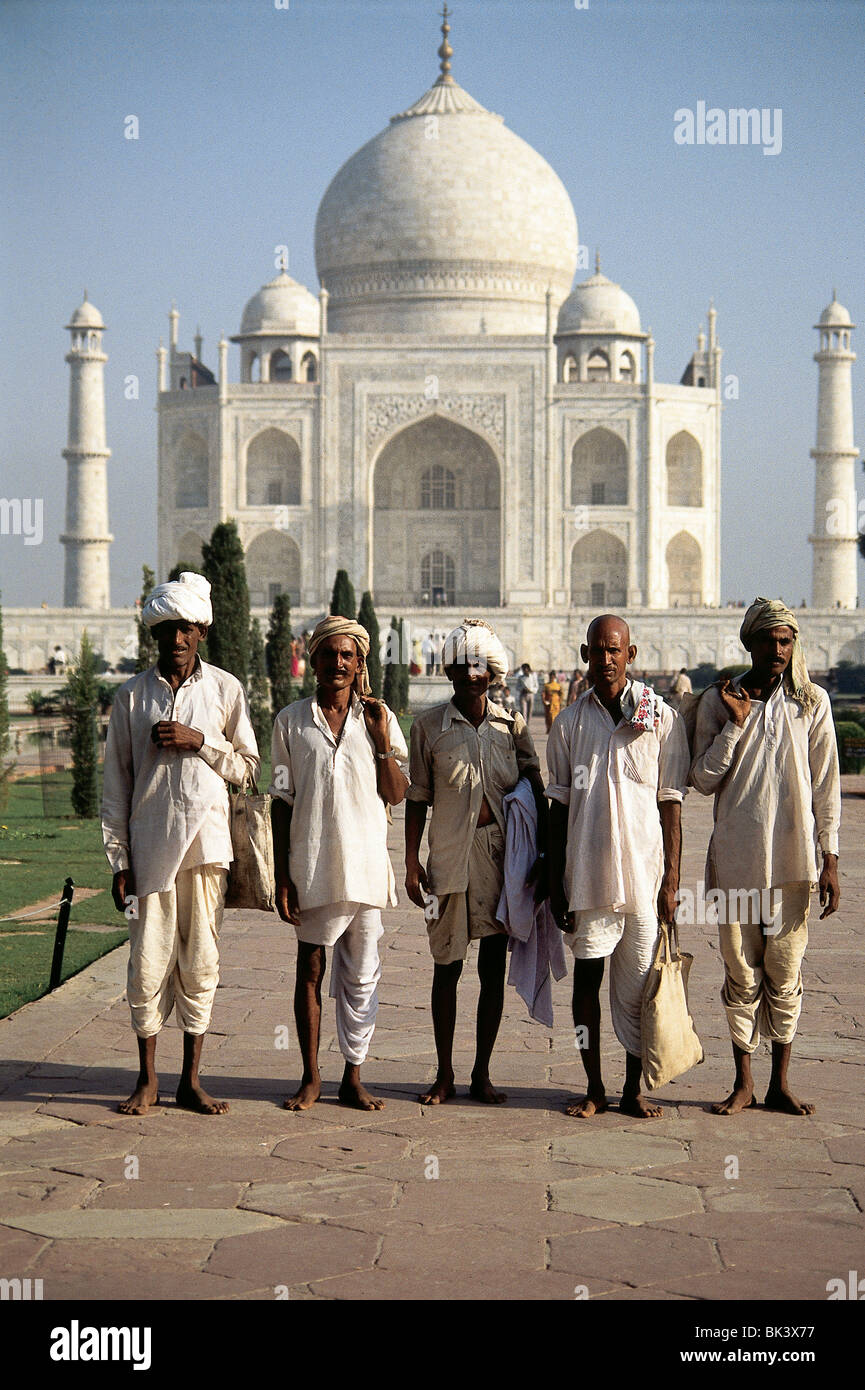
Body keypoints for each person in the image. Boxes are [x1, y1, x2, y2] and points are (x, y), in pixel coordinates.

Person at [102, 571, 260, 1116]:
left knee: (200, 964)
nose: (177, 639)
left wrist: (200, 741)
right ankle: (148, 1078)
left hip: (206, 848)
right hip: (149, 850)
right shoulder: (131, 697)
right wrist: (118, 860)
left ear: (201, 632)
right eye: (167, 628)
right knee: (147, 965)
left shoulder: (224, 690)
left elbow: (246, 768)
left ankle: (190, 1079)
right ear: (154, 634)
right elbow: (115, 785)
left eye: (186, 629)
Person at [689, 597, 841, 1116]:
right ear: (748, 643)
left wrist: (831, 857)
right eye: (768, 640)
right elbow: (703, 780)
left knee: (786, 971)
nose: (778, 649)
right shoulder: (720, 700)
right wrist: (735, 724)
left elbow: (827, 783)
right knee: (741, 974)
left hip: (794, 863)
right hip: (736, 861)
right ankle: (744, 1082)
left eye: (786, 640)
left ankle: (779, 1082)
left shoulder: (811, 701)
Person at [547, 614, 689, 1119]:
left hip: (644, 876)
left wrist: (672, 878)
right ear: (585, 655)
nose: (606, 659)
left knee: (638, 988)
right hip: (586, 877)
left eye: (615, 650)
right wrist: (553, 881)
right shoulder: (568, 724)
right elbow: (558, 808)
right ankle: (593, 1086)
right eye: (597, 650)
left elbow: (671, 802)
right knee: (588, 980)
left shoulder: (660, 717)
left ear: (631, 655)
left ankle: (633, 1087)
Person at [405, 619, 547, 1105]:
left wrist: (542, 857)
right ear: (450, 673)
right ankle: (443, 1072)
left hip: (497, 859)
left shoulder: (512, 727)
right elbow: (417, 797)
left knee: (490, 969)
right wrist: (409, 860)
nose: (471, 675)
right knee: (446, 966)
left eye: (480, 666)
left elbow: (536, 787)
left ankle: (481, 1072)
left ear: (492, 674)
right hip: (447, 857)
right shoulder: (427, 727)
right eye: (463, 666)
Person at [270, 616, 408, 1112]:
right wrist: (281, 871)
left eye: (348, 656)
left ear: (360, 663)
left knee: (362, 975)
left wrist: (381, 741)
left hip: (367, 864)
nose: (338, 664)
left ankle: (353, 1074)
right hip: (312, 862)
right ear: (314, 660)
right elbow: (281, 799)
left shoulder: (378, 718)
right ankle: (311, 1075)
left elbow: (397, 792)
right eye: (329, 654)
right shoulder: (290, 720)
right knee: (310, 968)